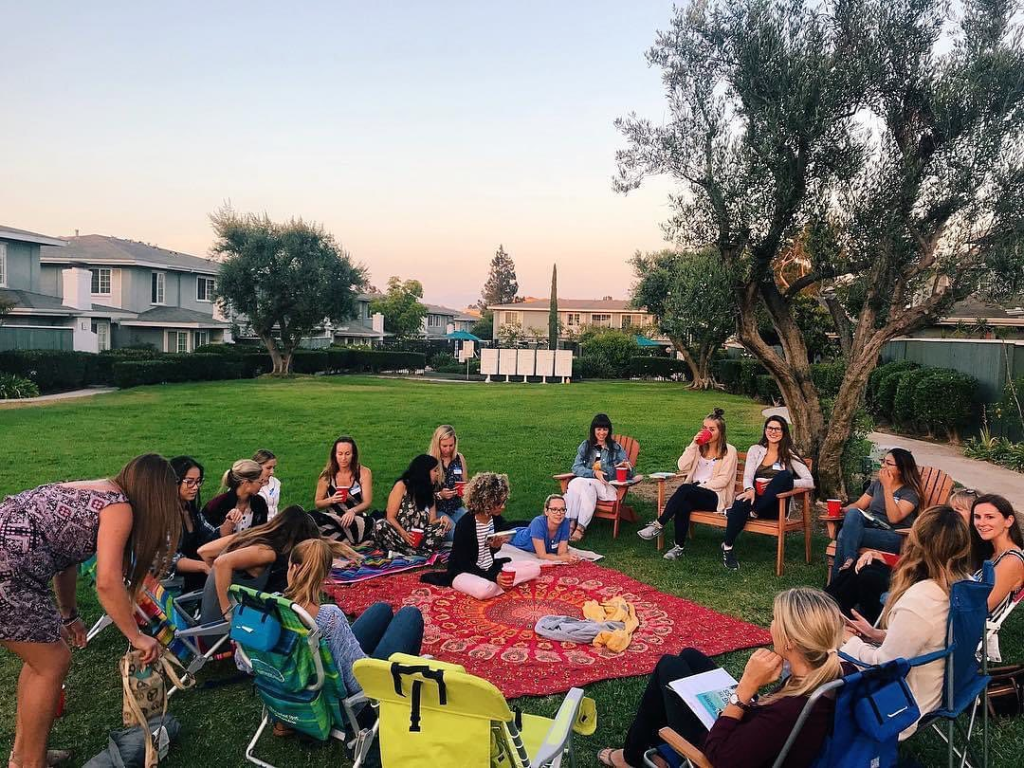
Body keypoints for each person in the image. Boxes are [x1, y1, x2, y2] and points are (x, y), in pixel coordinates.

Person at [1, 455, 180, 768]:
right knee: (53, 661)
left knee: (43, 656)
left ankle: (23, 755)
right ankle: (31, 763)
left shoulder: (95, 489)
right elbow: (108, 582)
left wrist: (68, 614)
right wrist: (136, 637)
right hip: (9, 571)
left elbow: (66, 559)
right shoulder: (119, 508)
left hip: (16, 566)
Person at [597, 587, 846, 768]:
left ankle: (631, 757)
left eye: (775, 620)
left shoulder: (789, 711)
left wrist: (746, 688)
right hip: (751, 733)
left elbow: (720, 758)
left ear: (790, 641)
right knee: (690, 656)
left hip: (716, 748)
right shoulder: (827, 674)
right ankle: (649, 754)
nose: (771, 625)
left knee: (669, 666)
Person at [841, 505, 972, 737]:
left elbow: (884, 666)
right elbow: (930, 639)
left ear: (916, 543)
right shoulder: (965, 585)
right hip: (941, 686)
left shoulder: (923, 599)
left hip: (902, 703)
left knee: (813, 657)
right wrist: (876, 634)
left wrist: (847, 641)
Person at [283, 538, 424, 708]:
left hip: (297, 689)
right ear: (325, 574)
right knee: (410, 615)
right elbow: (357, 683)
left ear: (293, 568)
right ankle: (403, 697)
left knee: (382, 609)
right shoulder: (329, 617)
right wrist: (367, 660)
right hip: (353, 702)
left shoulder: (272, 611)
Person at [827, 489, 978, 625]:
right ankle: (825, 607)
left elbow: (935, 570)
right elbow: (917, 561)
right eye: (951, 508)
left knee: (868, 576)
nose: (952, 513)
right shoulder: (946, 535)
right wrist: (881, 556)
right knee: (864, 565)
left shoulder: (965, 543)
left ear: (973, 515)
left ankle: (833, 617)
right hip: (914, 575)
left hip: (922, 587)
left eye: (958, 509)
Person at [638, 408, 738, 560]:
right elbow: (682, 465)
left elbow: (723, 480)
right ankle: (678, 547)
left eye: (712, 429)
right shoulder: (699, 447)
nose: (707, 432)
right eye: (704, 428)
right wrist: (694, 444)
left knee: (685, 489)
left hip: (715, 496)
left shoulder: (729, 451)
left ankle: (659, 524)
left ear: (721, 432)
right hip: (693, 494)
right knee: (683, 504)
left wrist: (696, 488)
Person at [718, 416, 814, 570]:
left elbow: (809, 482)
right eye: (770, 428)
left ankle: (753, 512)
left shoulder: (789, 454)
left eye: (777, 429)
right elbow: (748, 476)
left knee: (784, 476)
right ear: (765, 430)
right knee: (741, 502)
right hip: (756, 496)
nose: (773, 432)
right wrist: (749, 490)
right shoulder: (755, 450)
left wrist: (779, 483)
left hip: (776, 506)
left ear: (784, 432)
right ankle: (728, 548)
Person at [198, 505, 324, 622]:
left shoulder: (250, 535)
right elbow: (221, 563)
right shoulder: (267, 552)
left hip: (208, 615)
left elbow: (205, 551)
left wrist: (221, 580)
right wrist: (228, 611)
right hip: (225, 626)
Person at [830, 448, 923, 580]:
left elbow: (894, 518)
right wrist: (842, 509)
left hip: (896, 536)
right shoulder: (878, 484)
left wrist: (887, 487)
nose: (883, 466)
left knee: (843, 535)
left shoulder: (910, 492)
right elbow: (859, 505)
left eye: (888, 463)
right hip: (873, 525)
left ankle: (838, 581)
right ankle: (849, 561)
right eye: (883, 461)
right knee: (853, 513)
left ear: (901, 469)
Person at [423, 472, 519, 588]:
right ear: (484, 501)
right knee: (484, 590)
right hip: (465, 572)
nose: (503, 507)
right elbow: (464, 564)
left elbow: (487, 553)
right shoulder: (465, 525)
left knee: (532, 568)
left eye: (503, 502)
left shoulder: (497, 520)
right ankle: (494, 584)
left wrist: (495, 546)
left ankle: (497, 584)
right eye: (498, 503)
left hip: (488, 568)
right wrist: (493, 577)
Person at [564, 413, 633, 543]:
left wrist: (624, 467)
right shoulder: (586, 446)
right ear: (593, 430)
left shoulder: (615, 448)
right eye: (599, 429)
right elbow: (576, 468)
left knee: (577, 484)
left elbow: (630, 473)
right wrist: (594, 473)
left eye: (605, 429)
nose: (602, 433)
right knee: (579, 484)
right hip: (587, 485)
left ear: (609, 430)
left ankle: (574, 525)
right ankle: (576, 525)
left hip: (608, 488)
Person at [372, 455, 450, 556]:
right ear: (425, 472)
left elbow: (432, 521)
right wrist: (403, 533)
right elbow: (390, 517)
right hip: (399, 534)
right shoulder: (402, 486)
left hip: (420, 536)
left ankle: (403, 551)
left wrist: (443, 519)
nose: (437, 473)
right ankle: (415, 551)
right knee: (380, 525)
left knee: (441, 527)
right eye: (435, 470)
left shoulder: (429, 491)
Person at [169, 456, 219, 592]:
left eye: (198, 481)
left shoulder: (191, 510)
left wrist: (229, 524)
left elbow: (211, 535)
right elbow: (168, 559)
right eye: (189, 482)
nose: (195, 487)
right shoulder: (165, 516)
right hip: (176, 583)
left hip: (197, 574)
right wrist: (203, 566)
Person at [969, 494, 1024, 616]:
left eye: (989, 517)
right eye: (977, 517)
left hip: (975, 624)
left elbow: (981, 608)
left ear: (1008, 521)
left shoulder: (1011, 561)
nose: (981, 523)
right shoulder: (991, 553)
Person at [312, 436, 374, 545]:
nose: (343, 458)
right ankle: (347, 543)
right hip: (334, 519)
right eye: (340, 454)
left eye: (347, 454)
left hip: (355, 518)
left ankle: (340, 543)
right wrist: (331, 500)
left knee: (357, 525)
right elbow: (318, 504)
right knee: (312, 518)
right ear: (334, 455)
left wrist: (352, 511)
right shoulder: (326, 475)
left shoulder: (364, 472)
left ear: (353, 454)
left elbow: (367, 502)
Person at [202, 459, 270, 536]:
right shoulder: (217, 505)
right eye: (260, 482)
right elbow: (206, 536)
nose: (263, 485)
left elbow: (262, 533)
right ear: (245, 482)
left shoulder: (260, 503)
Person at [510, 494, 580, 563]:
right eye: (554, 509)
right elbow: (542, 555)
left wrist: (570, 558)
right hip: (514, 536)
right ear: (546, 511)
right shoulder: (538, 523)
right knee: (506, 536)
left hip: (531, 531)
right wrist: (564, 558)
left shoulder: (565, 522)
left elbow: (562, 552)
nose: (559, 513)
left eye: (562, 509)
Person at [428, 424, 469, 542]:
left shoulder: (459, 458)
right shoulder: (431, 461)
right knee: (456, 535)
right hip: (437, 509)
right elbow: (424, 493)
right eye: (444, 446)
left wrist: (463, 490)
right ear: (437, 444)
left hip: (456, 506)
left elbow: (465, 483)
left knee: (472, 528)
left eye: (451, 445)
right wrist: (440, 494)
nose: (448, 449)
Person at [253, 449, 281, 520]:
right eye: (268, 468)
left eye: (274, 468)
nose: (272, 472)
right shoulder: (247, 486)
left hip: (275, 523)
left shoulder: (276, 482)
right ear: (257, 466)